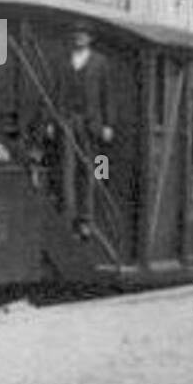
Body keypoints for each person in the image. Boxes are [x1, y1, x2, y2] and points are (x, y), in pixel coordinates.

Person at [53, 22, 115, 238]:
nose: (80, 37)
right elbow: (58, 91)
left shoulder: (100, 62)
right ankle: (68, 219)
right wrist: (53, 121)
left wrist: (108, 125)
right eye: (77, 33)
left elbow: (107, 94)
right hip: (68, 120)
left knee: (90, 171)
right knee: (66, 170)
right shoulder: (64, 61)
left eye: (84, 34)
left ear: (90, 38)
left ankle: (86, 220)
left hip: (91, 125)